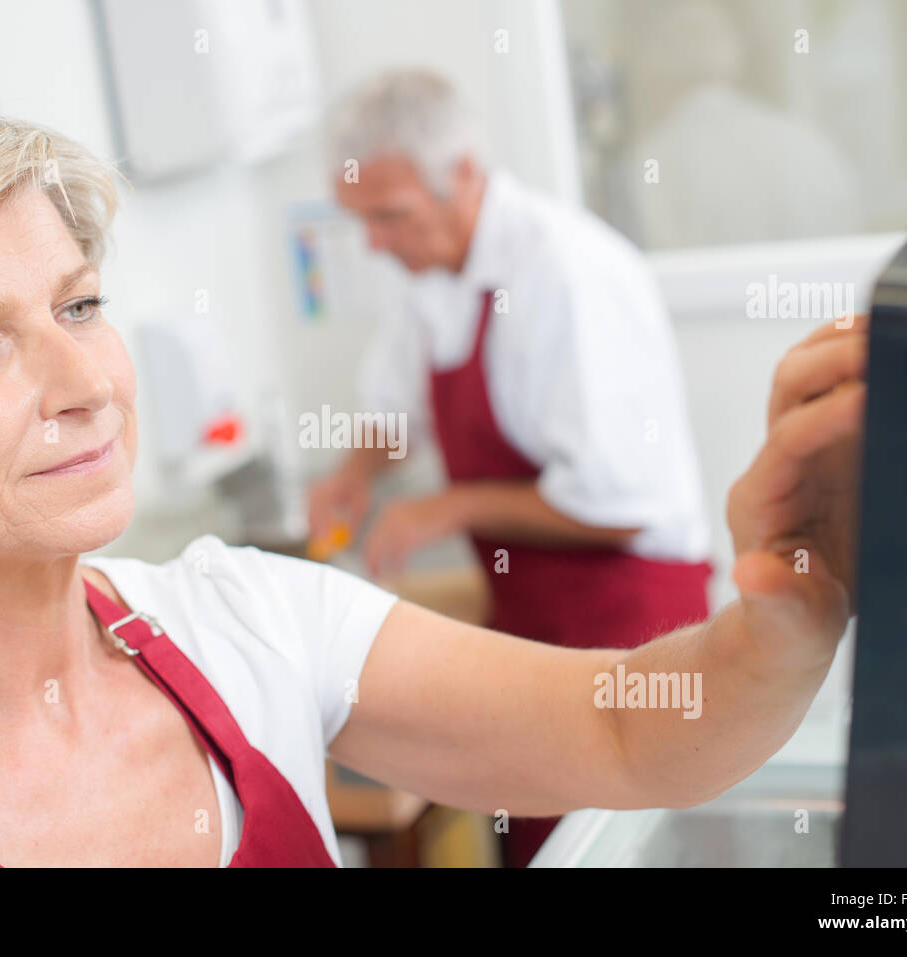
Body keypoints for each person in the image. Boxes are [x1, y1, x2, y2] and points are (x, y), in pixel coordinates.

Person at [0, 97, 866, 868]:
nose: (87, 384)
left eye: (80, 307)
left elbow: (630, 735)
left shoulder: (250, 619)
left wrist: (799, 589)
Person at [309, 70, 715, 865]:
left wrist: (451, 507)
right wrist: (356, 470)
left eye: (389, 218)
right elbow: (399, 410)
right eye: (362, 221)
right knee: (539, 839)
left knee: (615, 846)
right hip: (534, 625)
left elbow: (619, 503)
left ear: (462, 174)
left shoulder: (566, 274)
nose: (375, 246)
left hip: (630, 624)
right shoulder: (430, 272)